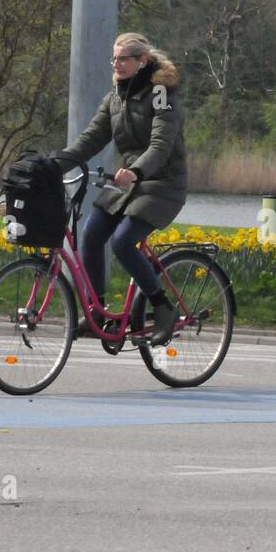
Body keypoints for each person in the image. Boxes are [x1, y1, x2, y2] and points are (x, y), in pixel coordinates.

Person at [52, 32, 187, 346]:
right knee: (91, 234)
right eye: (114, 58)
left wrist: (137, 171)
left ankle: (163, 309)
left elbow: (160, 146)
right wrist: (54, 164)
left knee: (124, 240)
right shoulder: (116, 96)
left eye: (123, 58)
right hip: (128, 182)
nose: (116, 64)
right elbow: (90, 139)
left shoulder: (160, 94)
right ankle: (99, 312)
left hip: (161, 184)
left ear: (141, 61)